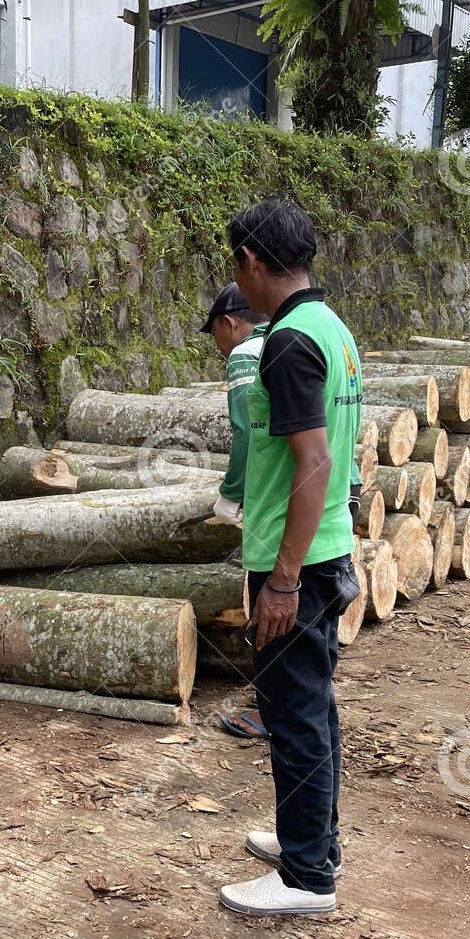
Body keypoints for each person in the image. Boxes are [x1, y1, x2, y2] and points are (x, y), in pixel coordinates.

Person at [216, 199, 363, 918]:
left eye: (232, 261)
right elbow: (340, 460)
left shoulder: (288, 341)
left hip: (295, 563)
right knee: (314, 712)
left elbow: (313, 460)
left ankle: (307, 878)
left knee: (296, 716)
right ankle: (313, 843)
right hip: (327, 549)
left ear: (250, 259)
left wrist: (279, 581)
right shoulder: (332, 331)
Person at [200, 282, 270, 740]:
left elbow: (247, 432)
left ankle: (272, 712)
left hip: (273, 501)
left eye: (216, 335)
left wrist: (230, 497)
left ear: (229, 323)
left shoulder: (246, 354)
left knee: (271, 601)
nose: (219, 346)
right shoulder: (295, 336)